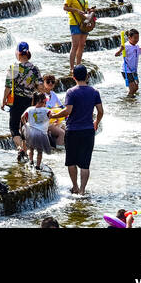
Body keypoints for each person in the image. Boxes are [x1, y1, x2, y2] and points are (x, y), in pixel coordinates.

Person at [51, 64, 103, 194]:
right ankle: (82, 190)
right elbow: (101, 111)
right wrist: (96, 121)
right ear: (87, 76)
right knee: (85, 163)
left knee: (71, 160)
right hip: (88, 131)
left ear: (73, 77)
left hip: (73, 130)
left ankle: (75, 187)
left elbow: (68, 111)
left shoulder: (71, 92)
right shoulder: (94, 92)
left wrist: (54, 115)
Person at [5, 41, 41, 162]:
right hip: (29, 101)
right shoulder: (35, 68)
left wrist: (3, 100)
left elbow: (8, 86)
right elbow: (40, 87)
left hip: (16, 101)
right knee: (24, 126)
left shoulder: (14, 67)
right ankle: (26, 151)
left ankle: (21, 148)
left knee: (14, 128)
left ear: (18, 53)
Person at [63, 0, 94, 69]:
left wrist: (90, 10)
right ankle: (72, 68)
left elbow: (85, 9)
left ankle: (78, 65)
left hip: (84, 23)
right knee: (75, 45)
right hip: (74, 22)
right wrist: (76, 10)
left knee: (82, 45)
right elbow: (65, 7)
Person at [116, 28, 141, 96]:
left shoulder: (136, 46)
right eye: (135, 38)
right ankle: (129, 100)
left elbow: (138, 53)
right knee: (132, 88)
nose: (137, 40)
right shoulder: (126, 46)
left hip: (134, 70)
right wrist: (120, 50)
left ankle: (131, 101)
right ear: (129, 38)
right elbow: (116, 55)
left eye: (138, 38)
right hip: (126, 70)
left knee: (136, 88)